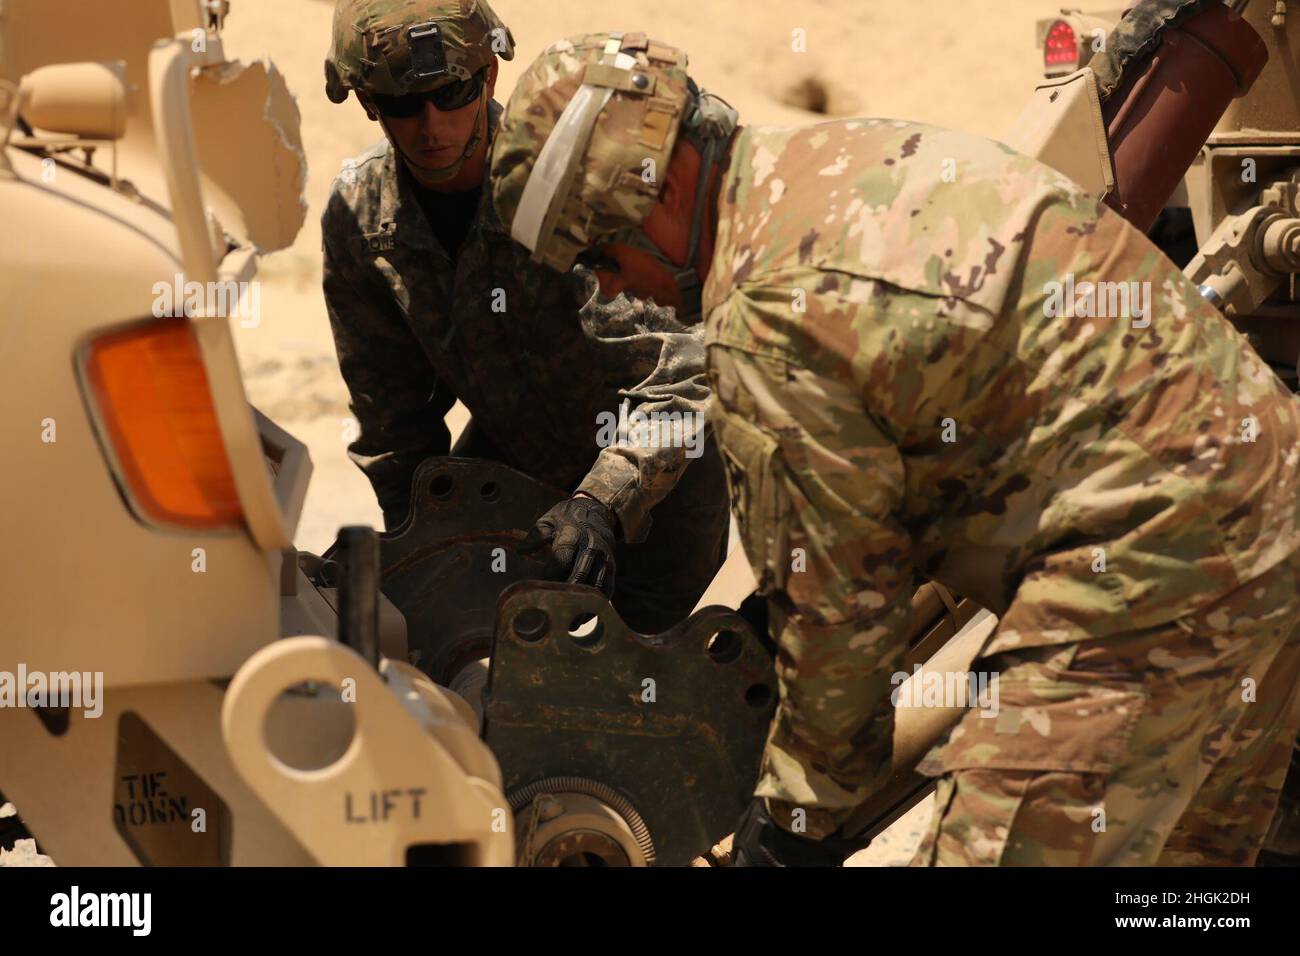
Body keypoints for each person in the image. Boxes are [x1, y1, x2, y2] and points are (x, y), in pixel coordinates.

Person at [489, 31, 1300, 865]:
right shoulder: (856, 155)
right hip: (1272, 508)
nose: (612, 289)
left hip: (1147, 566)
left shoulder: (765, 316)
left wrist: (793, 822)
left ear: (647, 192)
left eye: (598, 256)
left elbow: (843, 622)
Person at [321, 3, 730, 633]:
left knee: (630, 687)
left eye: (450, 93)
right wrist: (416, 555)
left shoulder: (571, 181)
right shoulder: (361, 217)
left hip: (659, 487)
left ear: (487, 78)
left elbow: (684, 372)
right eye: (403, 104)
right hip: (509, 482)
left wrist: (601, 501)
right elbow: (393, 423)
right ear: (368, 105)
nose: (431, 125)